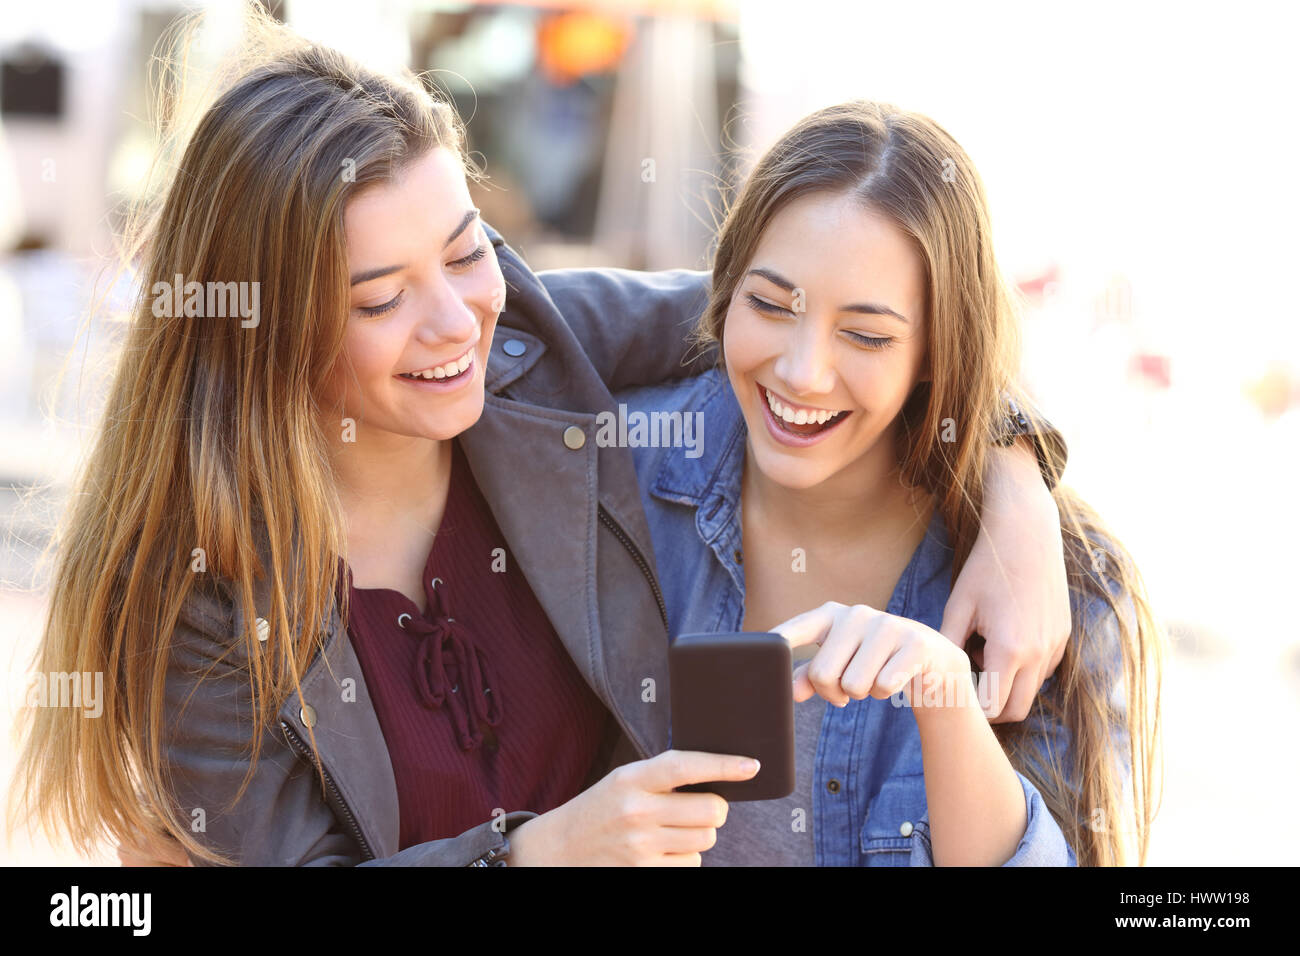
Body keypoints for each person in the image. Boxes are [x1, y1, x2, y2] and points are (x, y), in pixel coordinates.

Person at [8, 14, 1074, 867]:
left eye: (466, 250)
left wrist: (1015, 475)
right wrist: (535, 855)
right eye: (381, 298)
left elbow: (814, 325)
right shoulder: (195, 609)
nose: (458, 319)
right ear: (269, 332)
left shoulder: (524, 346)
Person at [615, 101, 1165, 866]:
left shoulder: (1060, 586)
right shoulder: (610, 482)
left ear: (939, 348)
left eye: (866, 335)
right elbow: (505, 317)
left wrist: (945, 700)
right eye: (771, 305)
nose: (803, 372)